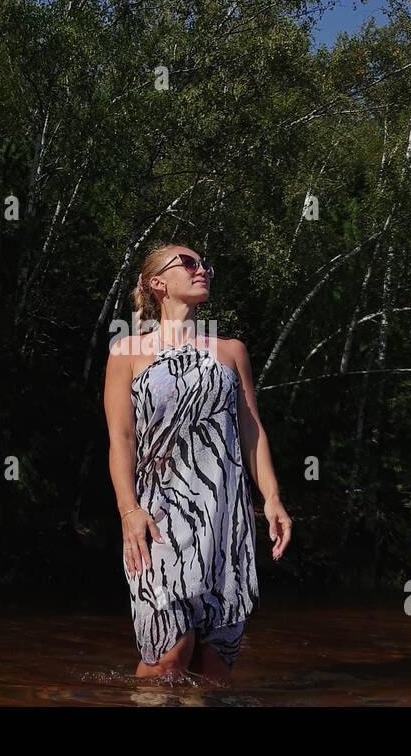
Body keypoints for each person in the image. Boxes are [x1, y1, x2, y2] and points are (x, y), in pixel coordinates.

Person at [103, 239, 292, 684]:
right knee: (169, 653)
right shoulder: (126, 352)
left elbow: (252, 430)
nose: (200, 268)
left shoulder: (231, 351)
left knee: (212, 669)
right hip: (160, 516)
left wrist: (272, 499)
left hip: (224, 518)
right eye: (187, 263)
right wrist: (128, 510)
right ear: (157, 283)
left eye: (203, 263)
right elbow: (121, 438)